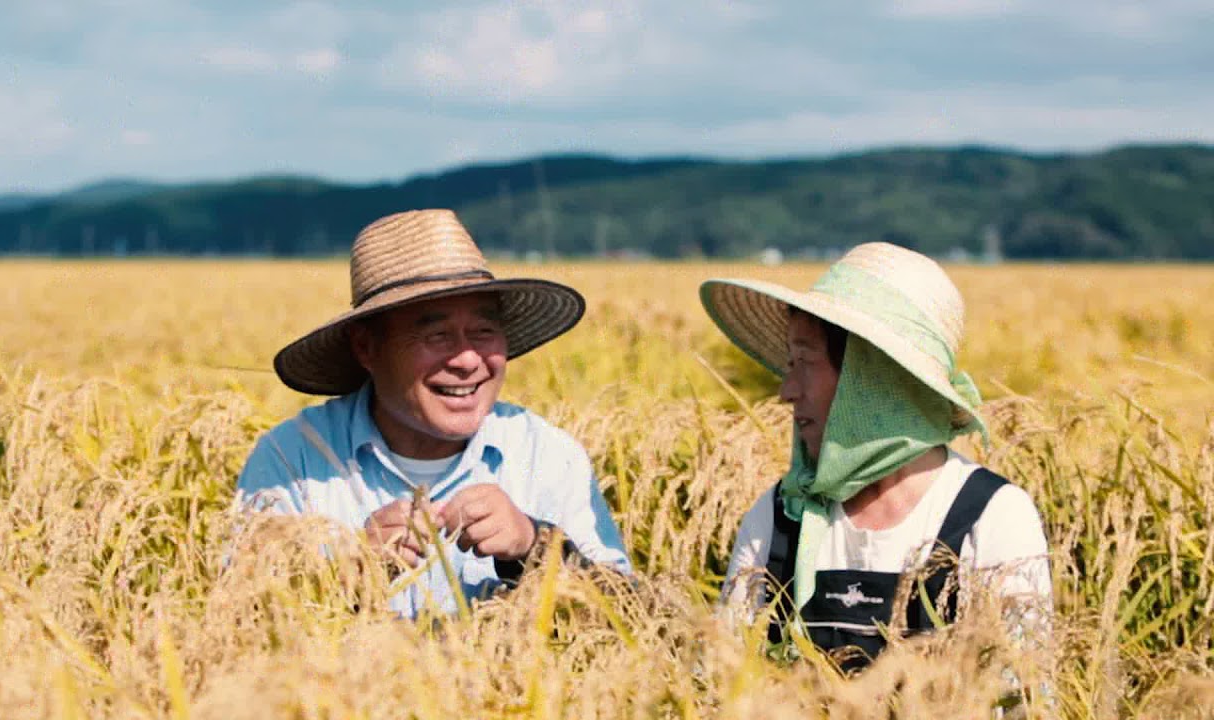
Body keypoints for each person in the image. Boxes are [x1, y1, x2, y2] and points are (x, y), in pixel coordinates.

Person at [236, 209, 631, 617]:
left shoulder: (547, 455)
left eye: (483, 332)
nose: (466, 360)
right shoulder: (294, 461)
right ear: (367, 348)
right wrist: (349, 574)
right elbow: (239, 623)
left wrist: (535, 548)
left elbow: (633, 620)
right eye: (436, 335)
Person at [700, 242, 1051, 671]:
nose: (787, 391)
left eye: (805, 363)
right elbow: (718, 684)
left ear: (870, 381)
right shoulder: (780, 517)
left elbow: (1021, 696)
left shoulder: (989, 518)